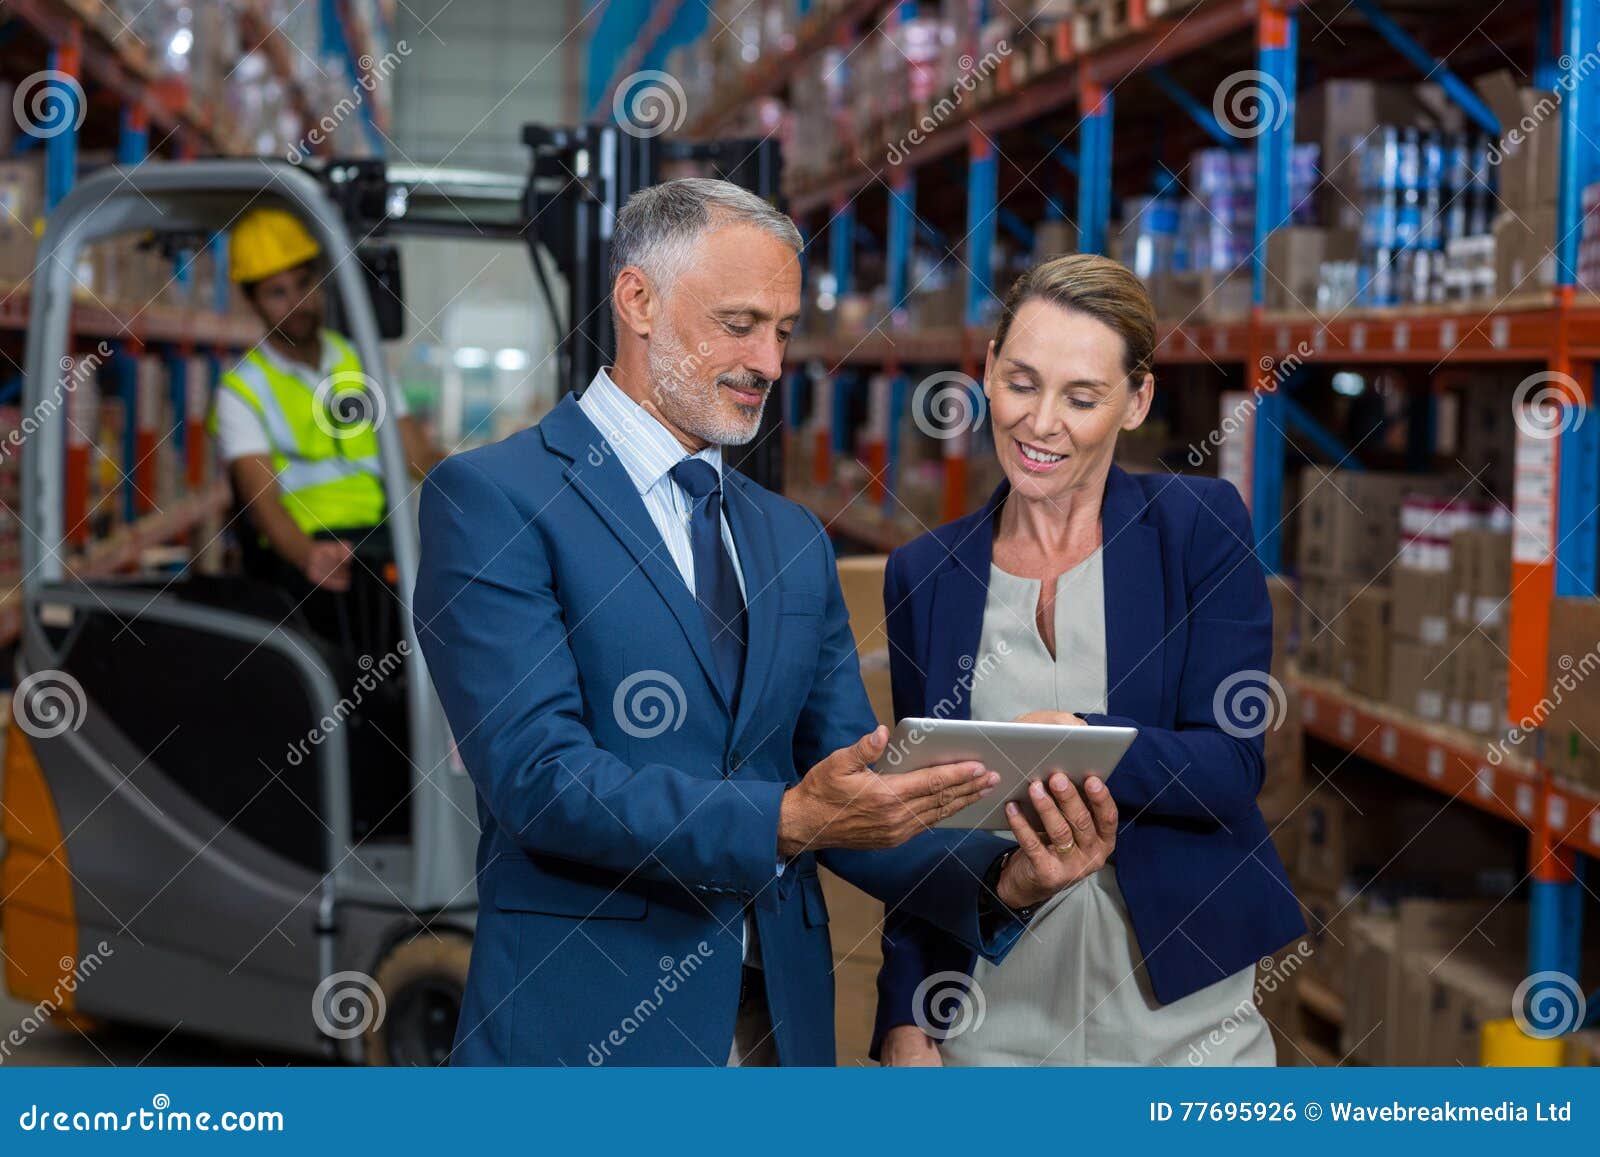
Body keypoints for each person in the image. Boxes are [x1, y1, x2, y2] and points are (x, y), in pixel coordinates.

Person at [411, 179, 1120, 1066]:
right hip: (588, 1027)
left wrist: (1002, 879)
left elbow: (850, 797)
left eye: (783, 331)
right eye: (740, 323)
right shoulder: (496, 499)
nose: (771, 361)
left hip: (778, 1032)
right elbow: (541, 781)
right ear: (637, 299)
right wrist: (785, 817)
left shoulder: (787, 537)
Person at [873, 254, 1306, 1067]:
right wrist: (904, 1018)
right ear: (990, 367)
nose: (1041, 423)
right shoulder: (926, 576)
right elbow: (917, 824)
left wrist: (1080, 735)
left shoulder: (1197, 529)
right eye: (1022, 382)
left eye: (1081, 397)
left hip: (1180, 1031)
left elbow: (1229, 765)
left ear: (1135, 400)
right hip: (989, 1027)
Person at [209, 207, 439, 600]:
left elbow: (418, 456)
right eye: (277, 292)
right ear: (252, 300)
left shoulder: (360, 359)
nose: (297, 303)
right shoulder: (241, 390)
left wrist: (485, 482)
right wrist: (308, 555)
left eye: (303, 284)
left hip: (379, 538)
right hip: (301, 554)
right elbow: (264, 506)